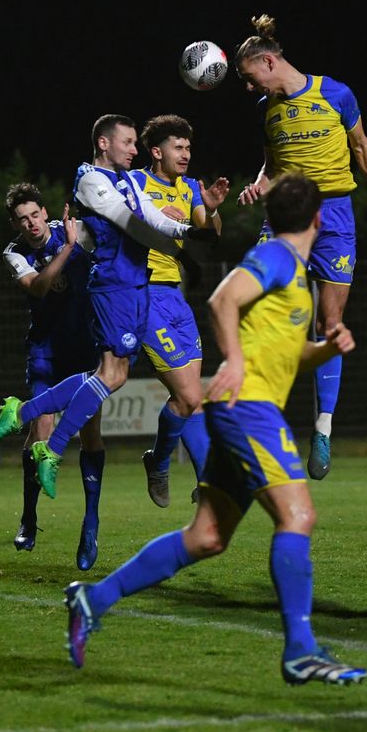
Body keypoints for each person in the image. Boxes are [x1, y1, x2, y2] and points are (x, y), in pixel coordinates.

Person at [63, 173, 367, 686]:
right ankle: (301, 650)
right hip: (249, 410)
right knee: (298, 515)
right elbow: (222, 299)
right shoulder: (276, 257)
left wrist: (326, 350)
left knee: (206, 537)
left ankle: (93, 598)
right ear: (320, 219)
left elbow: (289, 353)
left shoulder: (293, 273)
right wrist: (235, 361)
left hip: (242, 410)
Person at [0, 114, 213, 503]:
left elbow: (151, 216)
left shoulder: (126, 180)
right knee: (111, 375)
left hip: (135, 284)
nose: (134, 149)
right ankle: (52, 448)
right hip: (113, 285)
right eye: (127, 142)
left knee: (112, 374)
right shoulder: (90, 179)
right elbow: (130, 223)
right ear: (104, 144)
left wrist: (189, 232)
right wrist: (179, 248)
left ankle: (21, 413)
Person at [235, 14, 367, 481]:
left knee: (329, 324)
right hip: (285, 216)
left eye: (250, 78)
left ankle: (323, 428)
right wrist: (259, 184)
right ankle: (254, 419)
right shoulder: (266, 110)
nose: (250, 89)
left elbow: (362, 146)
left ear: (268, 62)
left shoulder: (336, 93)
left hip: (333, 216)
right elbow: (271, 165)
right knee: (255, 306)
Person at [1, 183, 104, 568]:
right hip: (45, 349)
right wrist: (68, 249)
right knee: (41, 425)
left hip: (84, 347)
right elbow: (39, 287)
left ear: (45, 212)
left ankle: (90, 523)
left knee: (90, 434)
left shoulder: (76, 230)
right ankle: (29, 517)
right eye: (22, 219)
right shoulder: (14, 253)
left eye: (34, 215)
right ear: (15, 224)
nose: (30, 223)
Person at [131, 114, 229, 507]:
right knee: (188, 395)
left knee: (192, 398)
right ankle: (177, 469)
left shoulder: (189, 188)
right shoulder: (135, 184)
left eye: (189, 147)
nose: (186, 154)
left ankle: (170, 466)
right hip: (143, 294)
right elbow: (119, 224)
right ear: (157, 152)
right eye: (178, 147)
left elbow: (210, 235)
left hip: (176, 297)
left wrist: (213, 210)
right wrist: (154, 220)